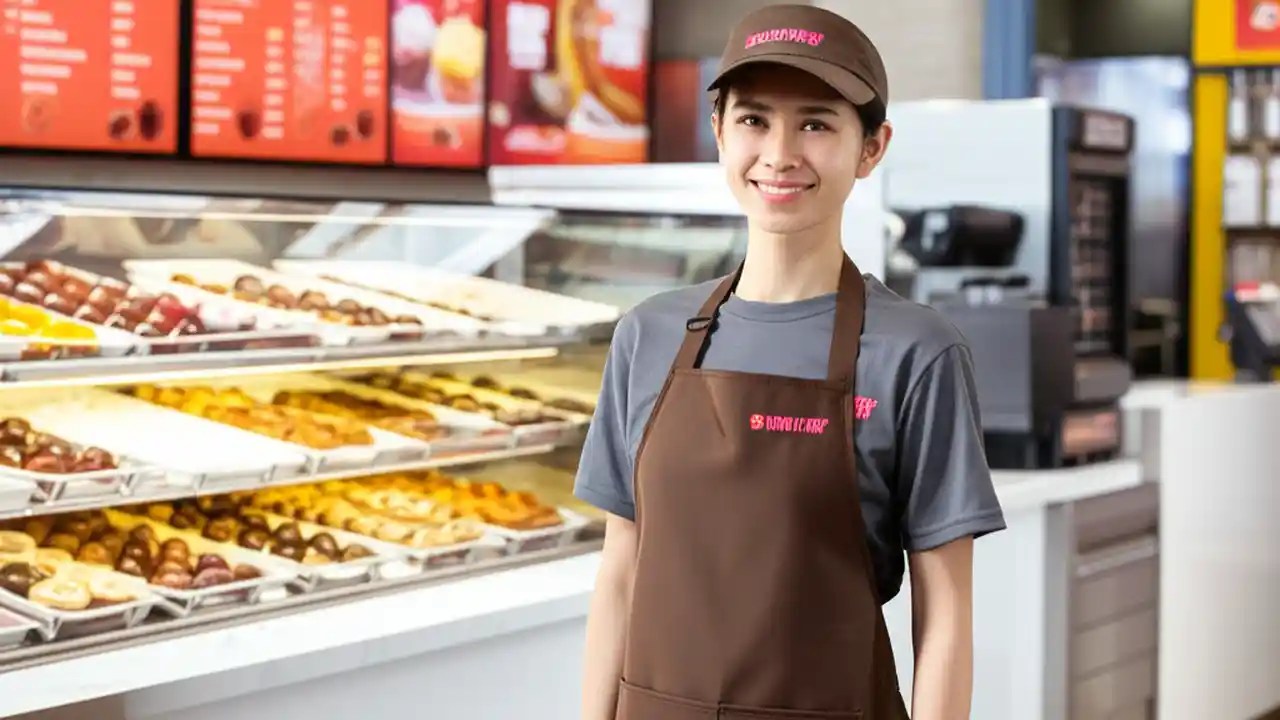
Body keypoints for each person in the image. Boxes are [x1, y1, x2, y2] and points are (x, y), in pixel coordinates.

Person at [574, 5, 1006, 719]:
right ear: (718, 133)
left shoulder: (916, 353)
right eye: (752, 120)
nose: (779, 153)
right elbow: (619, 573)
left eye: (815, 123)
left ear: (871, 148)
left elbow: (948, 614)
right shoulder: (649, 334)